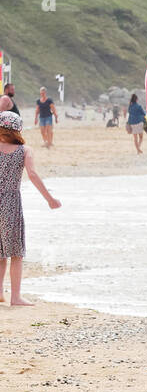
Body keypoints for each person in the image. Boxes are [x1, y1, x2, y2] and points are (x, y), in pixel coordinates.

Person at [0, 110, 61, 305]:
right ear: (18, 128)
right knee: (16, 252)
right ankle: (15, 297)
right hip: (11, 203)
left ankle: (0, 292)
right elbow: (33, 175)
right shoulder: (24, 150)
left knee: (0, 252)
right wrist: (50, 199)